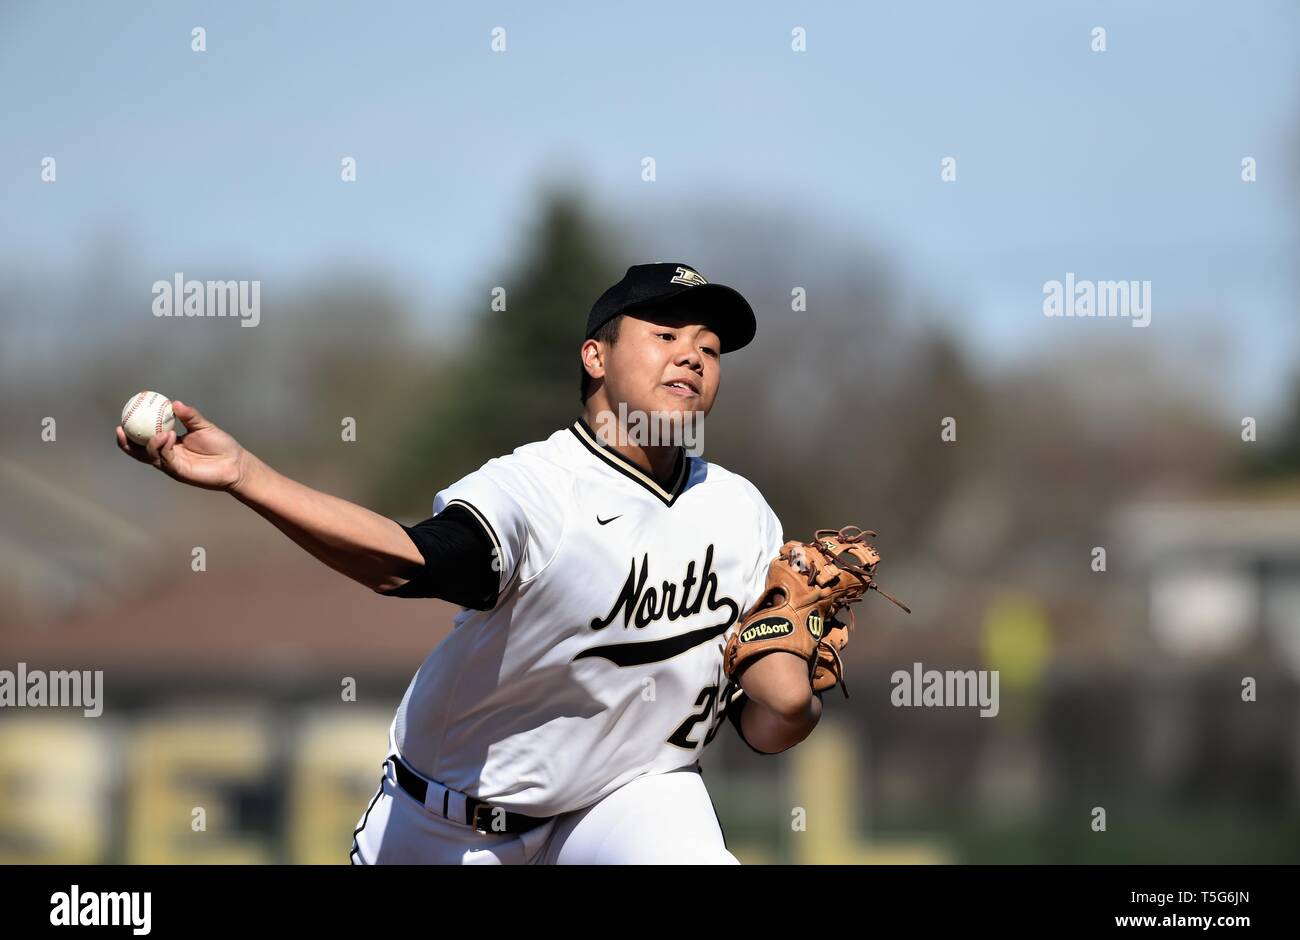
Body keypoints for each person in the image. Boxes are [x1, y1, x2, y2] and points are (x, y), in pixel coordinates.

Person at [115, 263, 825, 864]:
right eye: (665, 335)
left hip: (623, 801)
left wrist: (796, 702)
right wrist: (248, 474)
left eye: (710, 347)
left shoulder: (742, 512)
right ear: (596, 357)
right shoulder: (537, 489)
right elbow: (407, 563)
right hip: (453, 823)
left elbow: (761, 724)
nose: (694, 357)